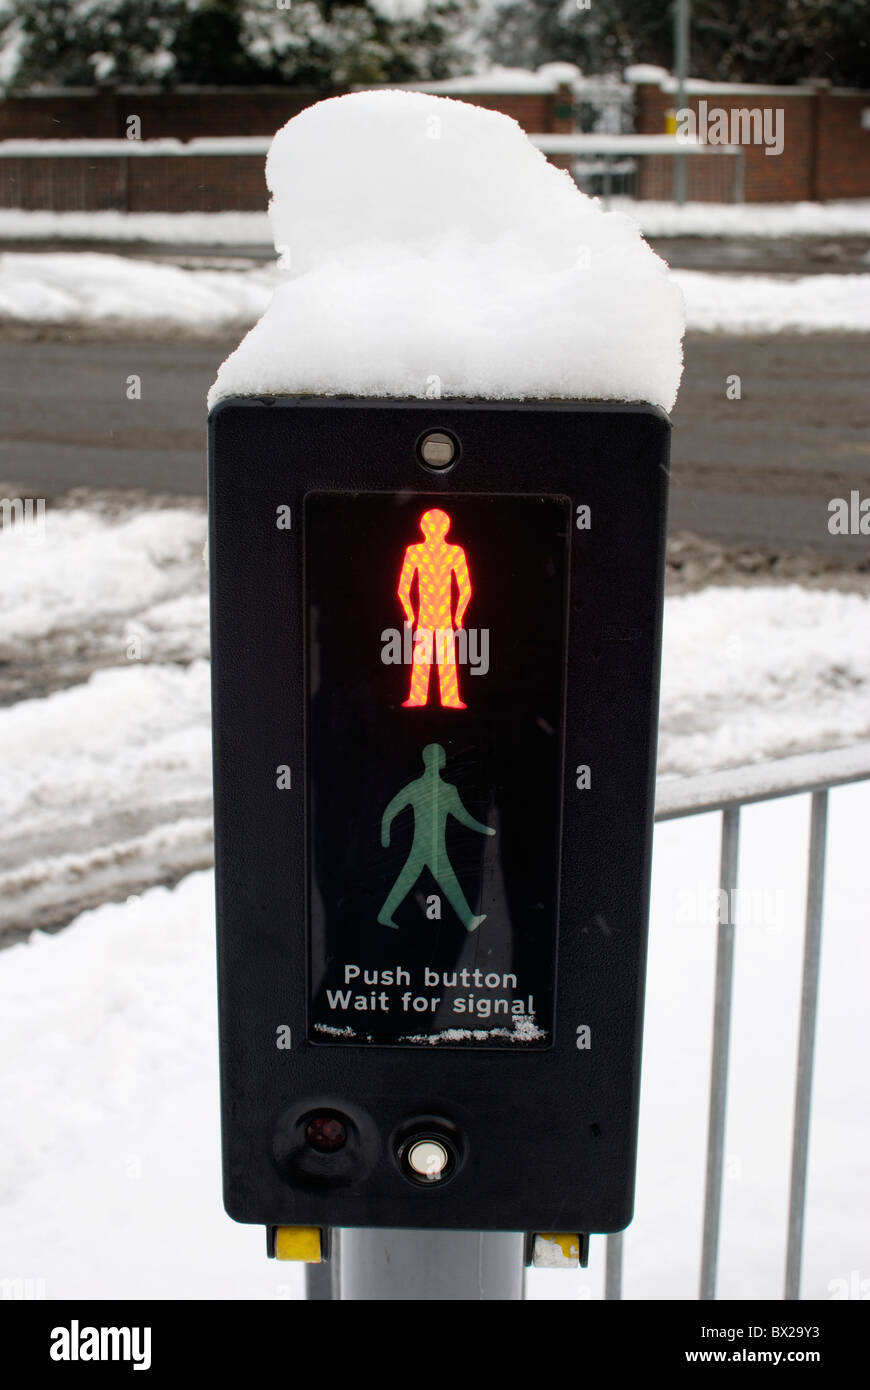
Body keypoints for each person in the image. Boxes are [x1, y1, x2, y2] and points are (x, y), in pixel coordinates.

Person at [378, 743, 495, 931]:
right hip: (428, 848)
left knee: (421, 881)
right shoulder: (443, 789)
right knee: (443, 882)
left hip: (429, 847)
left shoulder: (426, 787)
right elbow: (464, 817)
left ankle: (385, 915)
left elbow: (391, 811)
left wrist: (385, 834)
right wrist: (485, 830)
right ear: (438, 761)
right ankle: (468, 919)